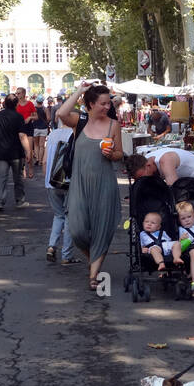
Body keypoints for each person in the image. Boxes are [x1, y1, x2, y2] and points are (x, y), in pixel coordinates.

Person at [58, 82, 123, 290]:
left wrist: (111, 154)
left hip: (105, 185)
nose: (107, 107)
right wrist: (80, 90)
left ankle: (94, 275)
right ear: (91, 104)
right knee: (77, 231)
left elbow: (120, 154)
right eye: (103, 104)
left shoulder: (114, 125)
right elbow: (61, 112)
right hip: (80, 183)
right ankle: (93, 258)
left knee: (102, 229)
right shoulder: (80, 121)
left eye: (108, 103)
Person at [44, 116, 78, 264]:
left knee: (58, 215)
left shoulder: (52, 134)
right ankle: (67, 255)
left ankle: (52, 246)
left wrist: (46, 181)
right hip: (69, 182)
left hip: (52, 181)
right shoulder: (76, 134)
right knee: (69, 217)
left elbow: (45, 160)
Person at [0, 94, 29, 210]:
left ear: (4, 103)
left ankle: (1, 201)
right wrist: (29, 152)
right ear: (17, 104)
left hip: (1, 152)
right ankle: (20, 201)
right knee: (18, 178)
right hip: (16, 152)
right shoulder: (19, 117)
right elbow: (22, 136)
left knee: (1, 178)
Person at [124, 147, 194, 186]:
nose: (143, 180)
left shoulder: (165, 161)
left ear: (148, 165)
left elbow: (174, 188)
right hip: (189, 181)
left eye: (143, 177)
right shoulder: (145, 160)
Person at [15, 88, 37, 178]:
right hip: (19, 127)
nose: (17, 95)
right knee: (20, 150)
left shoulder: (30, 104)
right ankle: (23, 169)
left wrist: (30, 118)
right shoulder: (16, 104)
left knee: (29, 150)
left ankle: (30, 167)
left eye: (19, 93)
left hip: (28, 128)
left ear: (24, 94)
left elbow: (36, 116)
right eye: (16, 93)